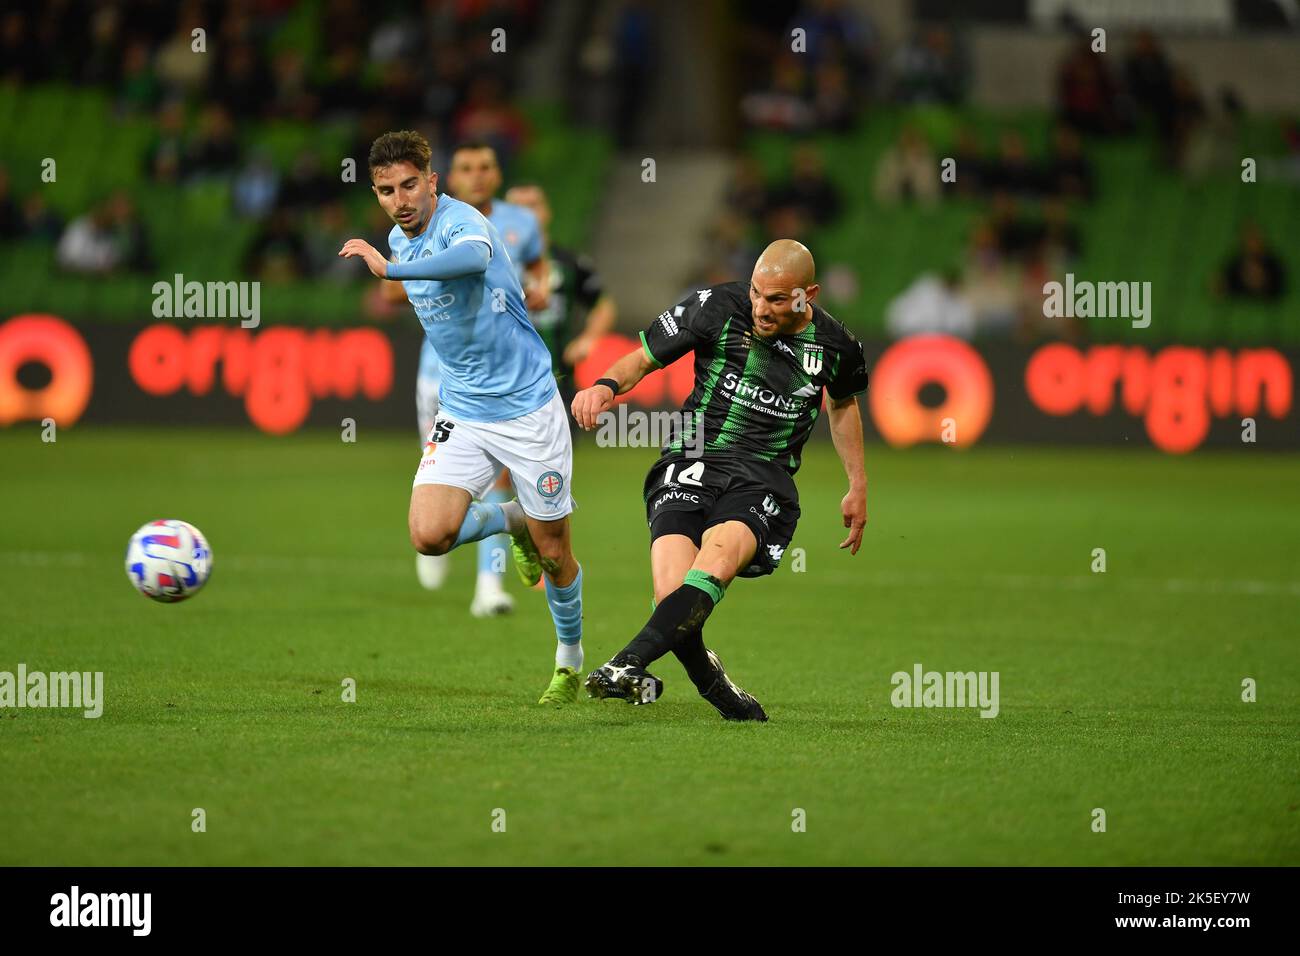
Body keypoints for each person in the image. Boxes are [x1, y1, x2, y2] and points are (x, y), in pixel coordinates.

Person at [571, 240, 870, 720]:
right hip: (691, 457)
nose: (760, 308)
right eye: (755, 293)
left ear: (807, 295)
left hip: (762, 477)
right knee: (673, 597)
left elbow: (842, 405)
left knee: (718, 559)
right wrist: (604, 385)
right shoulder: (715, 306)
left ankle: (624, 663)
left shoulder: (837, 346)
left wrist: (857, 484)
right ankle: (714, 684)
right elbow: (644, 358)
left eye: (776, 299)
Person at [340, 130, 586, 705]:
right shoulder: (400, 241)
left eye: (408, 185)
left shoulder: (464, 224)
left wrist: (389, 273)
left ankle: (569, 661)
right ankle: (513, 520)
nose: (399, 201)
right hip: (463, 409)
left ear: (432, 182)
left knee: (556, 553)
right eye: (385, 191)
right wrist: (393, 267)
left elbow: (474, 259)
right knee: (429, 535)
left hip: (529, 406)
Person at [410, 142, 550, 614]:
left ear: (497, 173)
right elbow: (397, 294)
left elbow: (538, 268)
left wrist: (540, 288)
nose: (476, 175)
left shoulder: (521, 223)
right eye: (466, 167)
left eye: (486, 166)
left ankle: (489, 587)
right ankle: (435, 539)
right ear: (449, 176)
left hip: (502, 380)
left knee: (499, 477)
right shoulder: (426, 225)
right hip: (439, 373)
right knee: (440, 479)